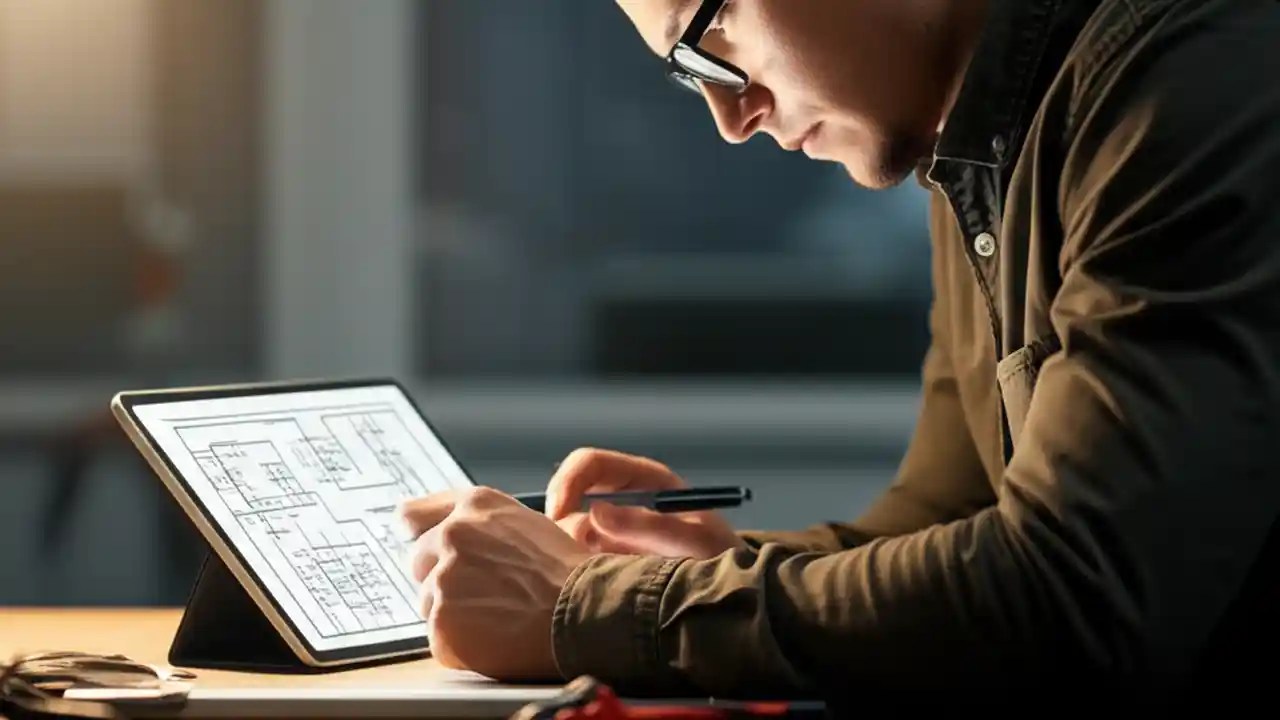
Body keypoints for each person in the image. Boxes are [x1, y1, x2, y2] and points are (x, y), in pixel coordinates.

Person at [397, 0, 1280, 705]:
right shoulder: (976, 138)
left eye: (711, 36)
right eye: (685, 74)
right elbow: (940, 519)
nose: (730, 117)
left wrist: (593, 608)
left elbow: (1075, 593)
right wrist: (706, 580)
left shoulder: (1186, 70)